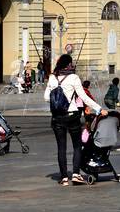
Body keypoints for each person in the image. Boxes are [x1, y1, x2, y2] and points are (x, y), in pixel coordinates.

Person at [45, 54, 106, 185]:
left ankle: (63, 178)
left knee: (61, 148)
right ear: (68, 65)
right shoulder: (73, 77)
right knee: (77, 146)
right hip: (72, 115)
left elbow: (46, 97)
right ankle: (76, 174)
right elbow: (84, 97)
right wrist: (99, 109)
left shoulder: (52, 77)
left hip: (57, 117)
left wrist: (57, 96)